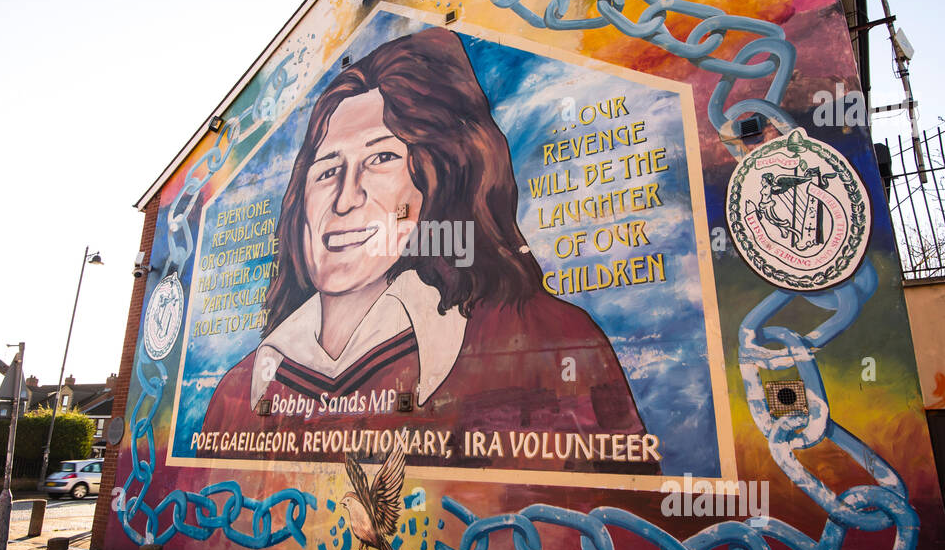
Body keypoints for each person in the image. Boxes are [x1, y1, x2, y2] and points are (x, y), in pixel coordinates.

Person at [200, 27, 650, 472]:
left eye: (381, 159)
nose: (344, 198)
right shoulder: (244, 388)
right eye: (326, 170)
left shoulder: (548, 342)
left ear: (440, 177)